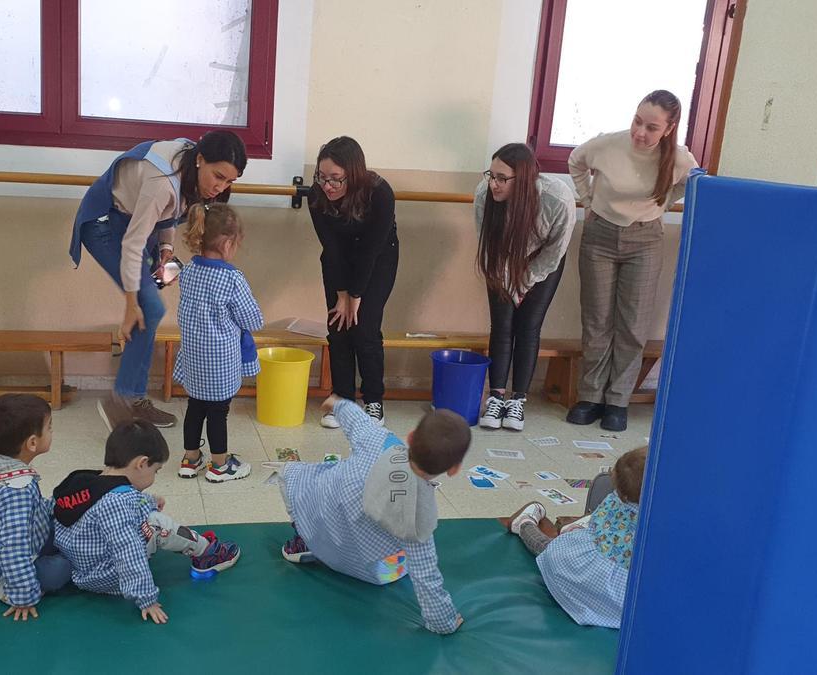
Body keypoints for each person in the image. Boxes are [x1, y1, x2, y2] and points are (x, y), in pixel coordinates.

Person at [70, 130, 248, 429]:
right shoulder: (160, 183)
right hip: (104, 224)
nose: (220, 186)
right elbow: (133, 241)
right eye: (218, 176)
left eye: (229, 181)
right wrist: (130, 303)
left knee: (163, 282)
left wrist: (166, 249)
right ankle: (121, 402)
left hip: (133, 222)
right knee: (148, 308)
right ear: (200, 159)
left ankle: (134, 399)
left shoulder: (189, 164)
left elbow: (170, 212)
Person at [274, 395, 469, 634]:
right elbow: (426, 576)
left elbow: (356, 419)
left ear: (409, 437)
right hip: (364, 568)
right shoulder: (418, 518)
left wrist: (337, 404)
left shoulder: (380, 441)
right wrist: (445, 622)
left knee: (292, 475)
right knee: (409, 559)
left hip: (318, 520)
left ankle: (306, 541)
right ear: (453, 469)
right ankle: (321, 548)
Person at [566, 90, 698, 432]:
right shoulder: (608, 144)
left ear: (668, 130)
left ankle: (617, 401)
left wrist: (664, 204)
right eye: (637, 122)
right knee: (596, 320)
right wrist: (587, 200)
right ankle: (590, 396)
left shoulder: (680, 159)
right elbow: (575, 161)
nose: (640, 132)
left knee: (633, 324)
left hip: (645, 240)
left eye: (651, 127)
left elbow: (691, 183)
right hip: (600, 234)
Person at [52, 413, 241, 624]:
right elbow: (128, 552)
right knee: (158, 524)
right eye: (156, 471)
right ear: (142, 463)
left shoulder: (84, 481)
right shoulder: (117, 503)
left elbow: (121, 496)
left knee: (145, 514)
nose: (155, 476)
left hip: (79, 566)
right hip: (107, 576)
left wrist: (149, 501)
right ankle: (207, 553)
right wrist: (146, 599)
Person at [474, 143, 577, 431]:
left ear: (525, 179)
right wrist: (508, 283)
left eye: (501, 178)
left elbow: (555, 252)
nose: (493, 184)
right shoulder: (484, 195)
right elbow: (489, 246)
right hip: (501, 259)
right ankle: (496, 398)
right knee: (502, 325)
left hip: (542, 261)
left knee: (528, 326)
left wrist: (526, 282)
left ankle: (517, 401)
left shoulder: (557, 199)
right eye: (491, 175)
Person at [0, 394, 72, 621]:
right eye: (49, 427)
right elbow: (13, 549)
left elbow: (30, 514)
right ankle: (11, 589)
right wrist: (23, 596)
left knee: (64, 519)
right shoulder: (16, 491)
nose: (53, 432)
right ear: (32, 443)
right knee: (60, 570)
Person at [501, 446, 647, 629]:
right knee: (548, 546)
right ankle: (524, 523)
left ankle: (526, 525)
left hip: (579, 568)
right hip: (609, 590)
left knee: (551, 547)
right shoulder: (659, 525)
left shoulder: (617, 498)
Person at [309, 137, 398, 428]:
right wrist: (342, 293)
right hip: (338, 262)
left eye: (336, 179)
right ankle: (342, 400)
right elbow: (331, 248)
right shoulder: (316, 195)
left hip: (378, 260)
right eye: (322, 177)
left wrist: (356, 294)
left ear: (354, 174)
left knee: (365, 329)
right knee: (338, 327)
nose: (328, 186)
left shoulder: (380, 192)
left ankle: (373, 401)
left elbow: (371, 249)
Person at [173, 203, 264, 483]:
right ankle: (220, 465)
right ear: (226, 243)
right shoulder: (232, 278)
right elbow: (253, 320)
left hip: (193, 356)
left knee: (195, 407)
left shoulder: (188, 272)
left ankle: (190, 459)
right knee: (217, 413)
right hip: (219, 361)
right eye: (236, 243)